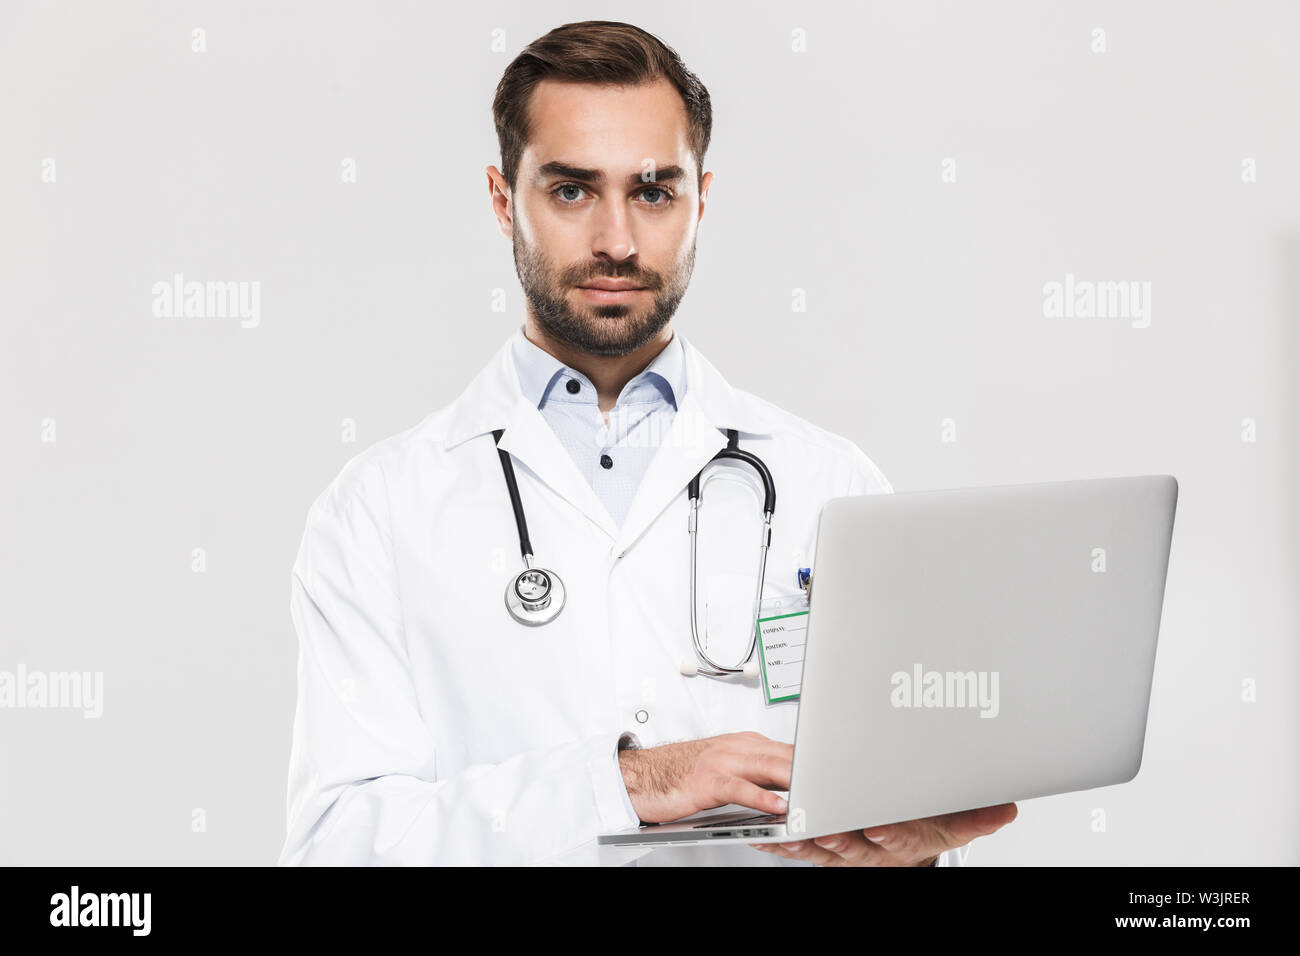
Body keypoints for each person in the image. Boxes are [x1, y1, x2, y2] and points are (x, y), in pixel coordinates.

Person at [278, 20, 1016, 866]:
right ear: (499, 198)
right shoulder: (378, 509)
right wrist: (630, 786)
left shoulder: (830, 483)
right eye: (570, 191)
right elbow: (334, 847)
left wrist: (915, 852)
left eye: (654, 192)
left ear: (702, 200)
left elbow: (908, 810)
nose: (617, 242)